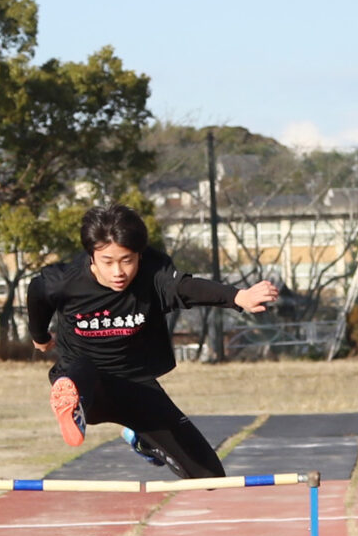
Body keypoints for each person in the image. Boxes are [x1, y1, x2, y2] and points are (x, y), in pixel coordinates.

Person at [26, 204, 277, 478]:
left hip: (136, 385)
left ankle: (144, 440)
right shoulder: (65, 280)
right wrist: (40, 336)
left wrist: (238, 297)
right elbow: (37, 291)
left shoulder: (153, 274)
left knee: (211, 476)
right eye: (107, 262)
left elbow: (186, 288)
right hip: (88, 384)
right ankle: (70, 404)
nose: (118, 272)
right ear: (92, 257)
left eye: (127, 260)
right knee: (80, 369)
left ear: (139, 256)